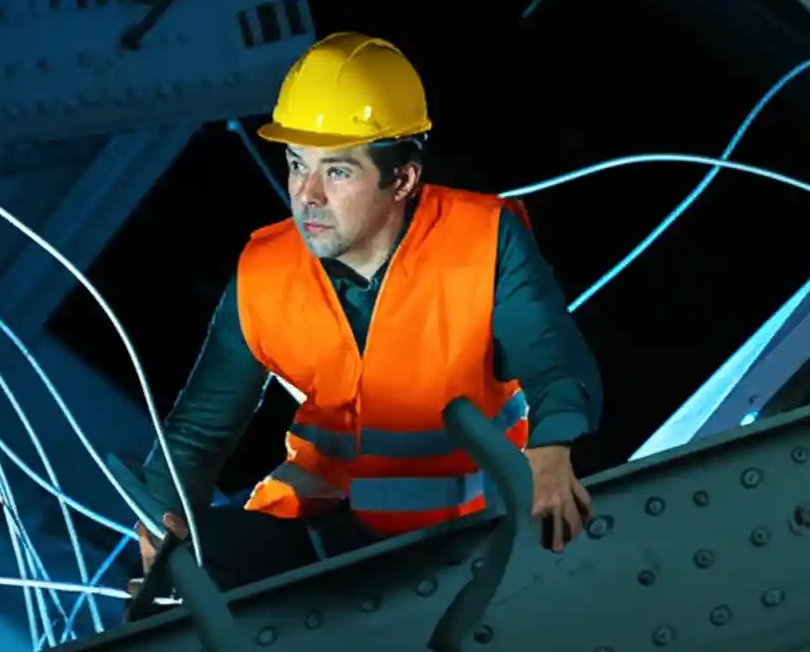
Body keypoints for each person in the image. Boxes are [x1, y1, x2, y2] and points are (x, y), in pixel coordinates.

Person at [130, 31, 602, 605]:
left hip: (465, 526)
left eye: (338, 172)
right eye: (296, 163)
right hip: (324, 528)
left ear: (401, 179)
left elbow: (556, 365)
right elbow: (200, 429)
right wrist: (161, 521)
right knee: (201, 561)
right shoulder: (265, 271)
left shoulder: (482, 242)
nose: (306, 195)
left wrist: (551, 452)